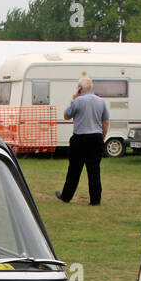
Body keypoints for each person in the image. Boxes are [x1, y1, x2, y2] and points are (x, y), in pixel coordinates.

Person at [55, 76, 109, 206]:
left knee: (74, 170)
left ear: (80, 88)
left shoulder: (78, 101)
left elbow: (67, 115)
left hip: (80, 138)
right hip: (96, 137)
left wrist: (73, 99)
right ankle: (95, 200)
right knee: (94, 170)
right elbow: (105, 121)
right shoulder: (101, 101)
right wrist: (102, 137)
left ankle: (66, 196)